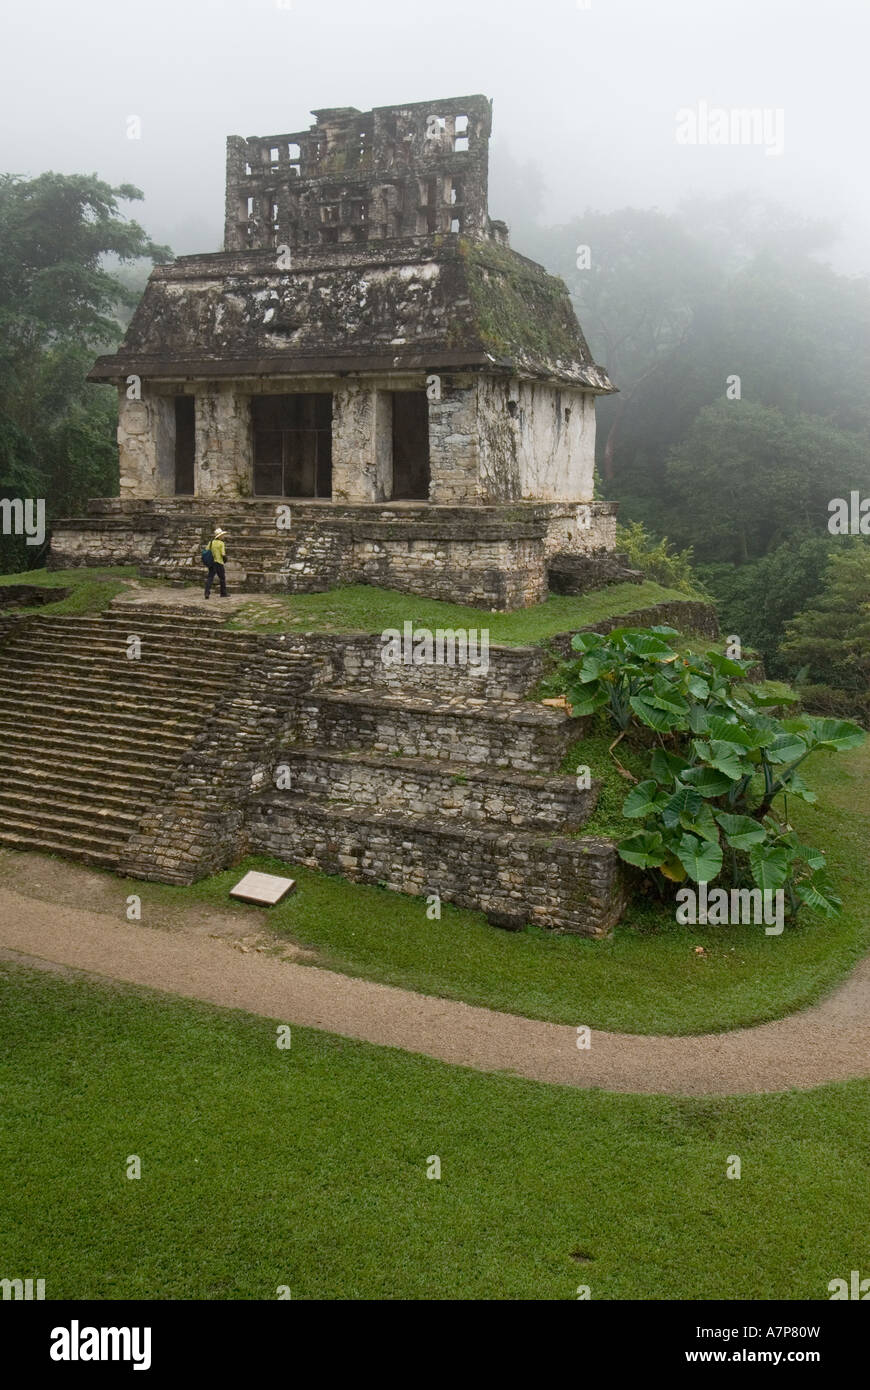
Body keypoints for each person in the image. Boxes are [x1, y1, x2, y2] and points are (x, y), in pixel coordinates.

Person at [205, 527, 228, 599]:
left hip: (212, 562)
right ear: (220, 536)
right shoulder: (221, 543)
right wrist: (225, 559)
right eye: (222, 535)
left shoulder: (211, 542)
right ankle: (223, 593)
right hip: (219, 562)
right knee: (222, 578)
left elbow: (207, 550)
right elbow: (223, 554)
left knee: (210, 578)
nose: (223, 536)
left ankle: (207, 592)